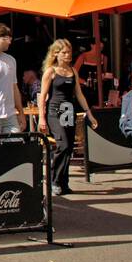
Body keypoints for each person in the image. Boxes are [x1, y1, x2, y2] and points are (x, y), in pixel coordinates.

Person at [37, 39, 99, 196]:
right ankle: (54, 181)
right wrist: (42, 118)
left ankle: (64, 183)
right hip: (54, 110)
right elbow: (42, 95)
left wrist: (89, 114)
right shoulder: (50, 71)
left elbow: (79, 94)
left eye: (69, 52)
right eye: (64, 52)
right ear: (56, 54)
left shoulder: (73, 71)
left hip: (68, 110)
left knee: (69, 147)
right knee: (62, 145)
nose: (67, 55)